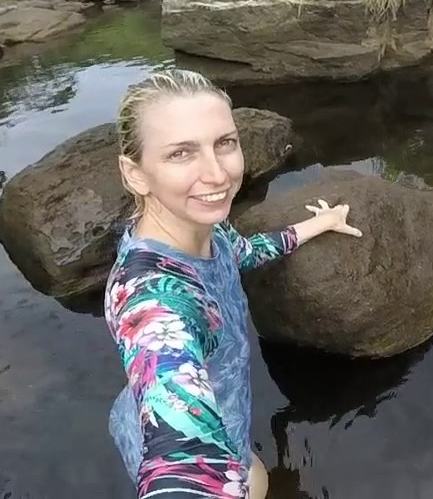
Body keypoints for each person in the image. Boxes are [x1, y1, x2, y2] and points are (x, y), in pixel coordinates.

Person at [103, 68, 362, 499]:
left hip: (227, 428)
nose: (217, 174)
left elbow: (241, 252)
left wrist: (318, 225)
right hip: (174, 442)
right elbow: (181, 462)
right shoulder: (152, 300)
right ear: (135, 173)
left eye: (224, 143)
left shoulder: (206, 229)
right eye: (180, 153)